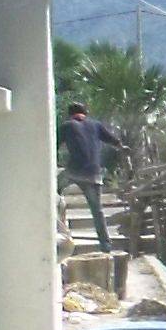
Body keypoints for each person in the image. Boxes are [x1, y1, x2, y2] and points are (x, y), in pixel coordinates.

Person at [61, 101, 116, 252]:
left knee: (53, 190)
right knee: (97, 210)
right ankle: (106, 245)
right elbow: (113, 140)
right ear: (85, 113)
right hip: (94, 173)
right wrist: (122, 146)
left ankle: (57, 230)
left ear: (70, 114)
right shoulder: (96, 125)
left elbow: (54, 144)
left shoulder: (67, 126)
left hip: (74, 172)